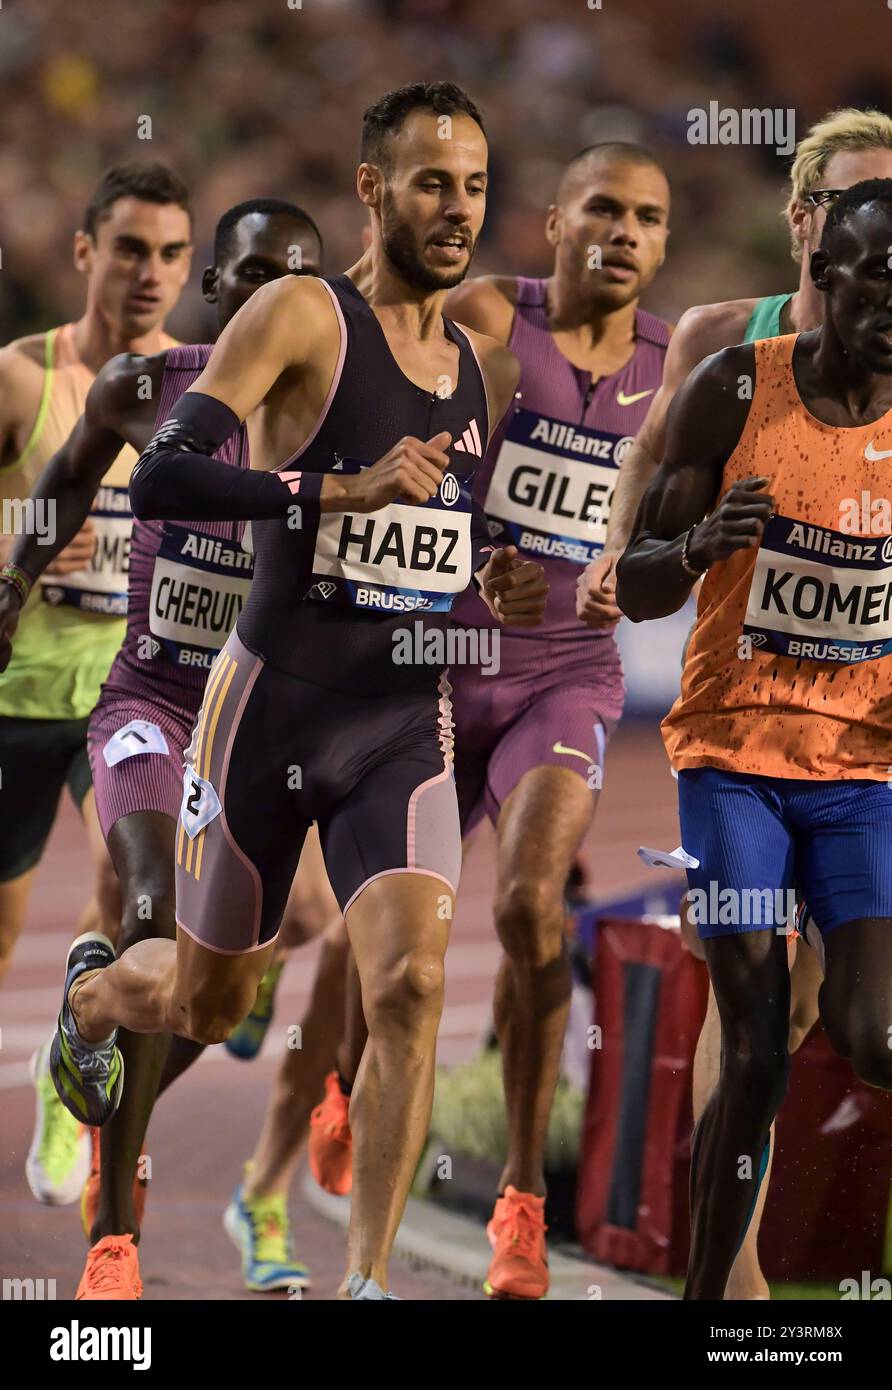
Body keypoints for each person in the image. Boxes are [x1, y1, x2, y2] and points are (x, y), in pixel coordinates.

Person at [45, 80, 548, 1300]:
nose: (457, 209)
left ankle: (363, 1284)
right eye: (432, 181)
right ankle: (100, 997)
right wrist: (334, 492)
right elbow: (165, 477)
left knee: (412, 985)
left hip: (398, 722)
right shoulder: (303, 315)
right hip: (266, 708)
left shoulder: (484, 363)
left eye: (475, 185)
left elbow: (437, 536)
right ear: (373, 189)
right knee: (208, 1003)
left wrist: (492, 579)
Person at [576, 106, 892, 1299]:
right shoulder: (727, 353)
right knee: (757, 1029)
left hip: (863, 758)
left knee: (841, 1015)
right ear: (810, 227)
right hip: (739, 746)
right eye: (860, 222)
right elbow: (645, 486)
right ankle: (729, 1290)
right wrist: (640, 556)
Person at [0, 198, 326, 1299]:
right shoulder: (151, 388)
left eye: (303, 279)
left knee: (209, 999)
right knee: (143, 912)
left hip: (263, 728)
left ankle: (92, 1015)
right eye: (255, 278)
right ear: (219, 293)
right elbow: (60, 487)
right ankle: (115, 1235)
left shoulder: (351, 416)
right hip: (149, 706)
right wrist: (11, 589)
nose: (281, 298)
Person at [440, 142, 670, 1298]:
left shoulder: (679, 367)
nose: (623, 231)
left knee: (532, 903)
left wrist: (638, 565)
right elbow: (423, 458)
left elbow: (672, 524)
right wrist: (482, 552)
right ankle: (329, 1072)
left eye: (646, 217)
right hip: (433, 661)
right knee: (367, 943)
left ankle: (521, 1197)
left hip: (566, 676)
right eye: (602, 209)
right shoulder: (488, 312)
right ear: (552, 222)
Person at [0, 163, 191, 1209]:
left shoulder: (206, 392)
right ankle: (48, 1056)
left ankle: (82, 1033)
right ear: (85, 253)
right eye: (128, 248)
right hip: (13, 691)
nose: (149, 272)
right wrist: (18, 545)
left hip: (122, 695)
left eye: (170, 253)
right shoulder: (21, 381)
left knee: (130, 883)